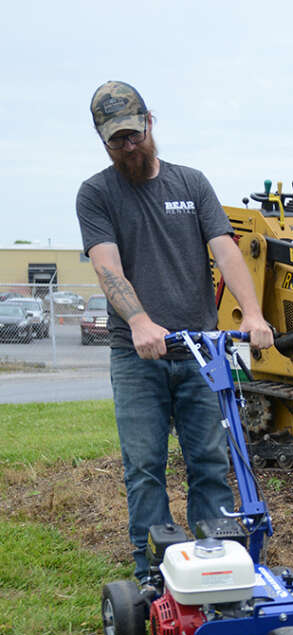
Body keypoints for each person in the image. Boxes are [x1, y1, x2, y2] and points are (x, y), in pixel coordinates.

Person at [76, 81, 274, 581]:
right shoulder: (96, 194)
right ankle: (153, 573)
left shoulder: (191, 183)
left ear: (150, 123)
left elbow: (226, 250)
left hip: (199, 352)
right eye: (116, 140)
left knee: (209, 459)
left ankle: (218, 563)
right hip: (136, 355)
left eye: (134, 134)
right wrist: (140, 321)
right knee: (144, 466)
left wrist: (251, 314)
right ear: (103, 140)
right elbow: (108, 268)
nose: (129, 147)